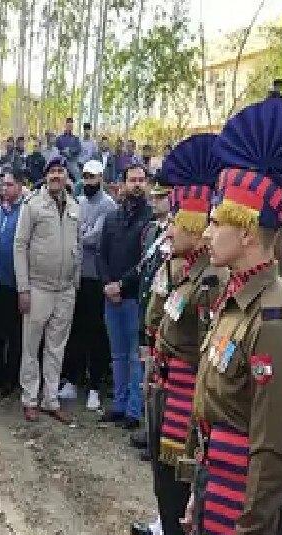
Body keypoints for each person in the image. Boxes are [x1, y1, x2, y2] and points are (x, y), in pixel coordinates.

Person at [180, 98, 282, 535]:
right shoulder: (236, 300)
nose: (205, 232)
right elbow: (215, 407)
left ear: (246, 232)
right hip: (218, 489)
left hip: (245, 515)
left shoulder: (275, 322)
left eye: (216, 222)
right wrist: (197, 493)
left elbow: (271, 454)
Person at [130, 134, 225, 535]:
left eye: (176, 219)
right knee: (164, 482)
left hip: (187, 397)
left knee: (181, 487)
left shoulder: (209, 280)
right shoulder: (176, 266)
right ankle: (165, 526)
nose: (168, 226)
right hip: (164, 384)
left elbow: (207, 354)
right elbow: (156, 318)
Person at [13, 156, 80, 424]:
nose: (56, 176)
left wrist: (75, 284)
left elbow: (79, 246)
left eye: (60, 172)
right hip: (37, 288)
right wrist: (23, 288)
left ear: (66, 176)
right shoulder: (32, 205)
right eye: (52, 172)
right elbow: (20, 246)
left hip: (65, 290)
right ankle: (30, 399)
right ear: (46, 176)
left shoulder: (75, 206)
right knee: (31, 347)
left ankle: (50, 399)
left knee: (56, 348)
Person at [97, 162, 153, 430]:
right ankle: (118, 405)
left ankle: (133, 409)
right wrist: (108, 283)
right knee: (116, 355)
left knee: (134, 356)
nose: (137, 184)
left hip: (134, 298)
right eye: (133, 180)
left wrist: (122, 284)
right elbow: (100, 254)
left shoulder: (151, 221)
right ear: (123, 184)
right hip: (111, 297)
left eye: (142, 179)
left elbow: (147, 261)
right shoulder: (111, 218)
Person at [60, 159, 116, 409]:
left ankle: (94, 386)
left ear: (101, 178)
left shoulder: (108, 205)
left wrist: (78, 234)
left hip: (95, 278)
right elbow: (72, 232)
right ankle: (72, 380)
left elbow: (94, 237)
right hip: (75, 275)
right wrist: (80, 234)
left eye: (93, 177)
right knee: (74, 329)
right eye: (85, 177)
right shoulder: (78, 202)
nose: (88, 181)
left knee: (95, 332)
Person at [0, 171, 24, 396]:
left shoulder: (24, 212)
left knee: (14, 335)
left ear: (20, 187)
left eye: (10, 185)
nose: (5, 189)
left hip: (14, 283)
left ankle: (11, 378)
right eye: (3, 185)